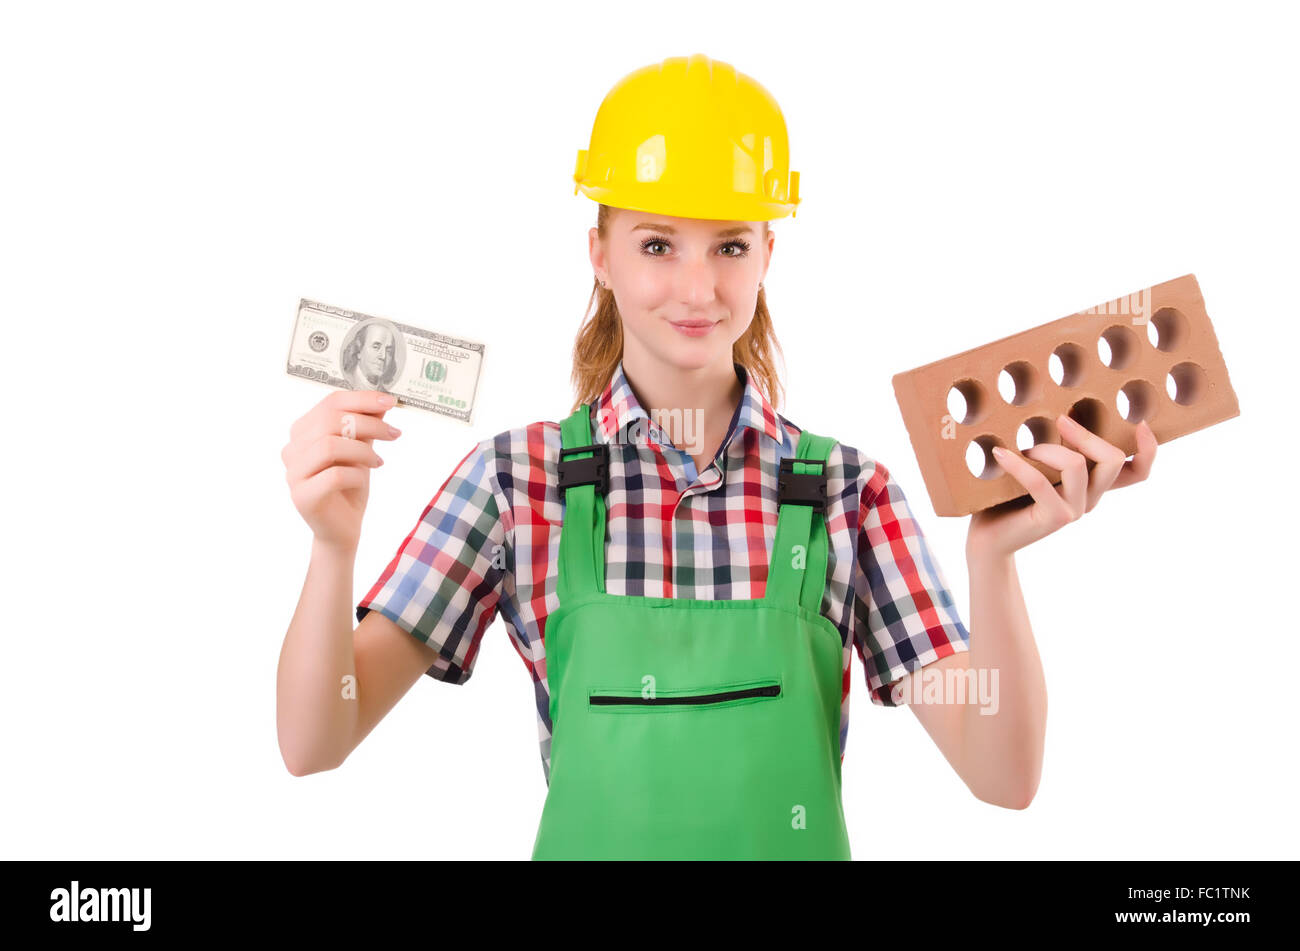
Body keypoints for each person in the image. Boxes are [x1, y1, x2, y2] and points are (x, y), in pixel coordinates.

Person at [276, 54, 1158, 859]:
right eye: (657, 244)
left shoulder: (847, 493)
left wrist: (992, 558)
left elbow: (1002, 777)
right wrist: (331, 547)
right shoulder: (515, 482)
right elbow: (314, 741)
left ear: (769, 251)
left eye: (730, 245)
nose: (698, 289)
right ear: (601, 253)